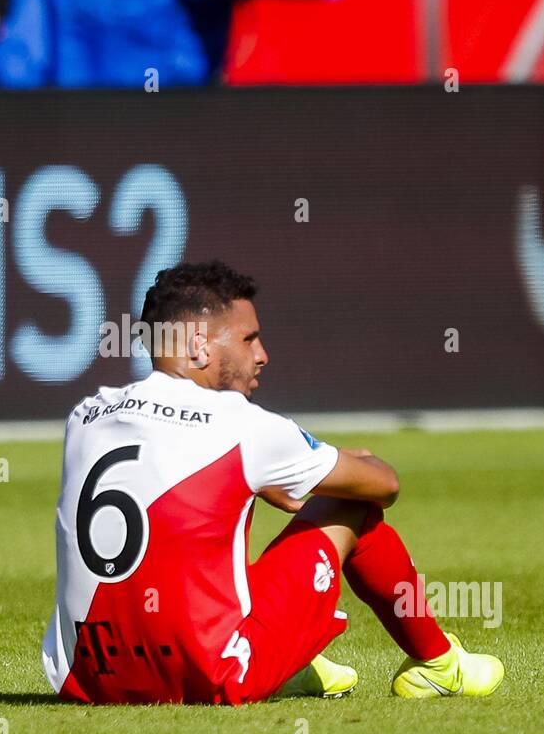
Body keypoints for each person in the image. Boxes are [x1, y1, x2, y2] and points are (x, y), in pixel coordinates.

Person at [43, 261, 505, 704]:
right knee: (347, 506)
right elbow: (384, 486)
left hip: (86, 679)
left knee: (210, 529)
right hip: (210, 677)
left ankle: (294, 664)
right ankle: (440, 664)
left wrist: (267, 480)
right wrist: (349, 463)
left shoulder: (86, 414)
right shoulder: (243, 425)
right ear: (199, 347)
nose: (262, 356)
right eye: (249, 339)